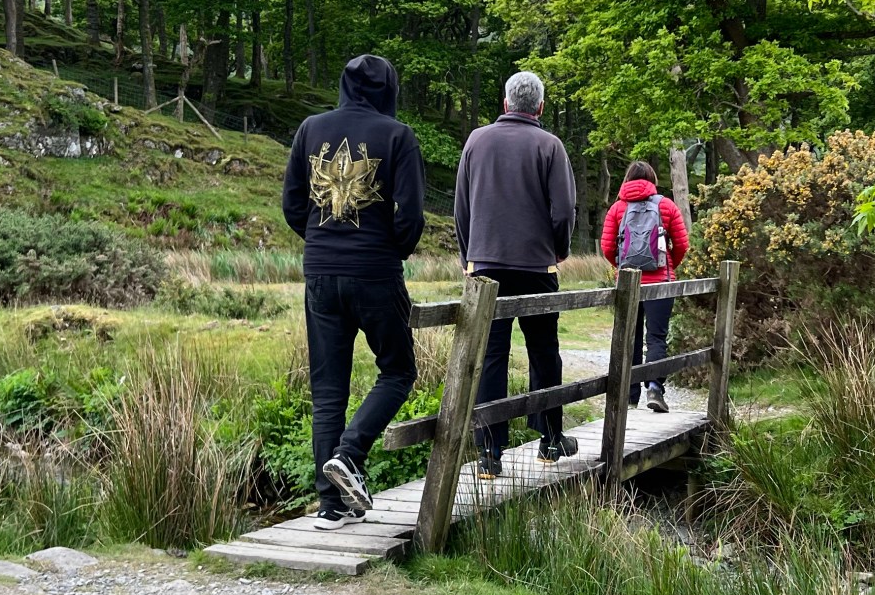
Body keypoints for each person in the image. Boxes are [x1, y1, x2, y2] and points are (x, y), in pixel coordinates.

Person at [282, 54, 426, 528]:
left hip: (320, 271)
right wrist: (391, 250)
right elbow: (410, 216)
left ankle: (331, 506)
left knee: (327, 393)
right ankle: (350, 453)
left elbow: (293, 204)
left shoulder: (309, 129)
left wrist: (323, 242)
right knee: (399, 369)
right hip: (375, 271)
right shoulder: (397, 135)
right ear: (389, 88)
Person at [453, 69, 578, 477]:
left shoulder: (476, 140)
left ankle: (490, 453)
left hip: (486, 264)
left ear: (505, 104)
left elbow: (461, 208)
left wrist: (469, 256)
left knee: (492, 356)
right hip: (536, 264)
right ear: (539, 107)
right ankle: (549, 439)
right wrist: (557, 251)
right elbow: (563, 211)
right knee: (544, 352)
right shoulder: (550, 146)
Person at [599, 159, 691, 413]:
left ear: (627, 179)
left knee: (630, 338)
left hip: (628, 284)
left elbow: (607, 247)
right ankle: (655, 388)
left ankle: (629, 397)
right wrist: (670, 265)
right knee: (656, 337)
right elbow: (682, 244)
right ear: (652, 179)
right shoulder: (666, 205)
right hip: (661, 282)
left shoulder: (618, 208)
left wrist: (621, 268)